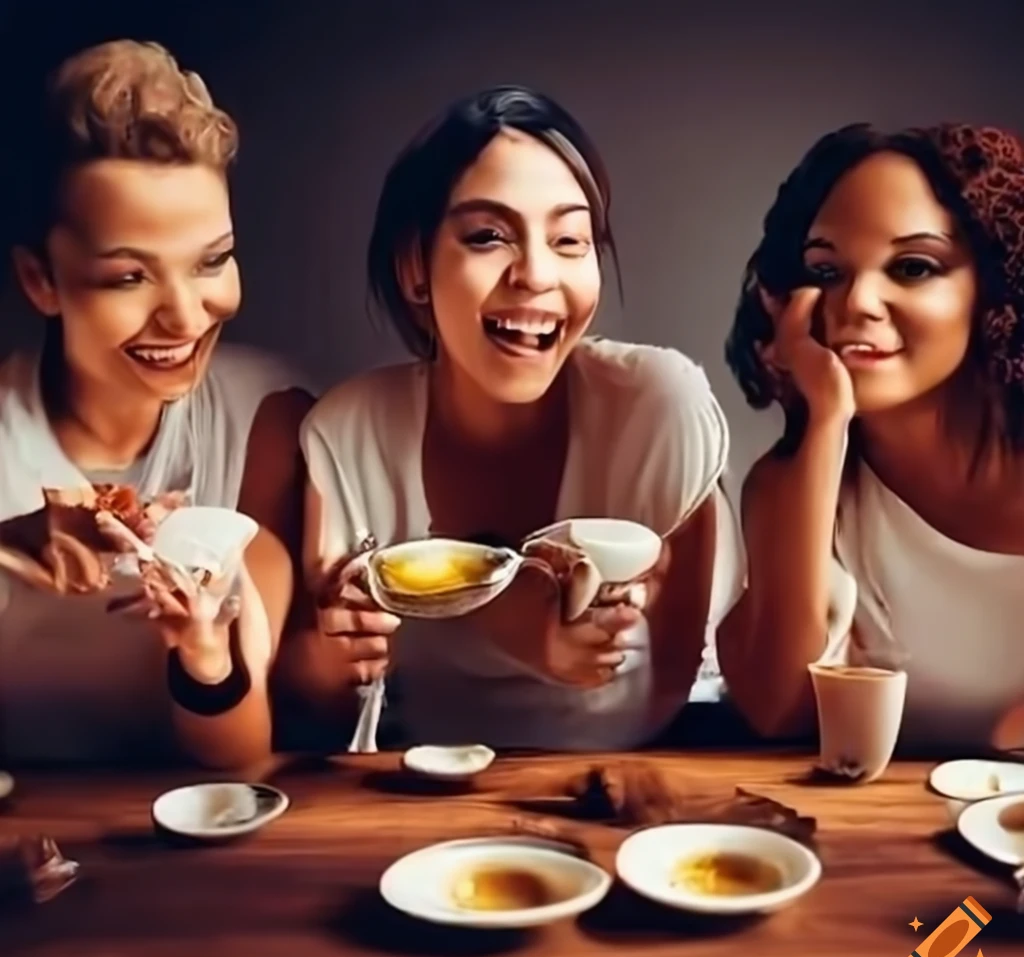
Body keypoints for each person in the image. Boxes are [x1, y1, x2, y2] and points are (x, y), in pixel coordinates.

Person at [282, 85, 733, 750]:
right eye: (489, 235)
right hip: (416, 802)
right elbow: (320, 706)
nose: (536, 274)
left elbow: (675, 679)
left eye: (569, 240)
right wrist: (334, 655)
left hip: (621, 790)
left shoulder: (659, 409)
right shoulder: (348, 436)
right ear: (414, 267)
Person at [0, 40, 312, 767]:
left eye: (211, 261)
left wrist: (202, 645)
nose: (184, 316)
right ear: (40, 280)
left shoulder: (271, 423)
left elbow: (238, 756)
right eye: (128, 278)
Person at [718, 121, 1024, 754]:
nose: (858, 300)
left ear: (994, 290)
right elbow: (780, 710)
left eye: (912, 267)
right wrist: (827, 421)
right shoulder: (789, 486)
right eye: (826, 271)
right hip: (885, 838)